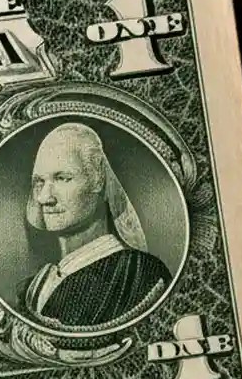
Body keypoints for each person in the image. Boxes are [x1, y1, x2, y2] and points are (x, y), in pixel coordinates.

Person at [17, 122, 171, 328]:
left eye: (63, 178)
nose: (45, 198)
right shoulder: (30, 288)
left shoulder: (139, 275)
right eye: (39, 182)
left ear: (98, 178)